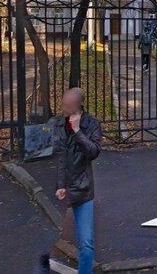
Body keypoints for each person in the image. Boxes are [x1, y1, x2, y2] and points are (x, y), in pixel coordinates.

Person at [54, 87, 102, 273]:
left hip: (82, 190)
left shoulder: (91, 124)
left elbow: (94, 152)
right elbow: (59, 157)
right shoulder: (58, 123)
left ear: (79, 105)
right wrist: (60, 185)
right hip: (63, 188)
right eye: (63, 105)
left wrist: (77, 131)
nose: (64, 109)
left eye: (68, 106)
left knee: (86, 244)